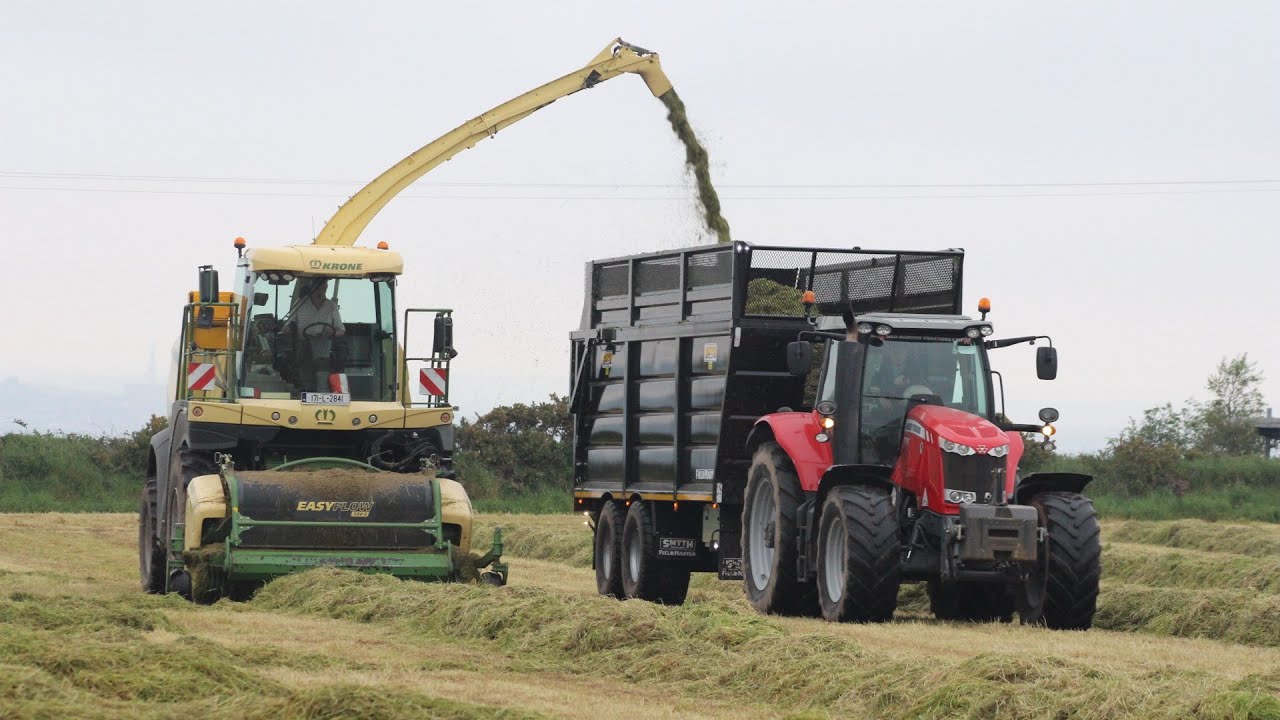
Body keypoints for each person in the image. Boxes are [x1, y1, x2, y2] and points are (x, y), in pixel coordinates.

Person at [286, 278, 345, 391]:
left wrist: (333, 332)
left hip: (325, 345)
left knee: (332, 353)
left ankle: (327, 387)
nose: (320, 291)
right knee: (301, 353)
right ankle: (305, 387)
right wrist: (289, 329)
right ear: (311, 289)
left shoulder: (331, 306)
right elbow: (288, 326)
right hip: (303, 343)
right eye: (317, 288)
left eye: (323, 288)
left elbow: (341, 330)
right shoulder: (300, 304)